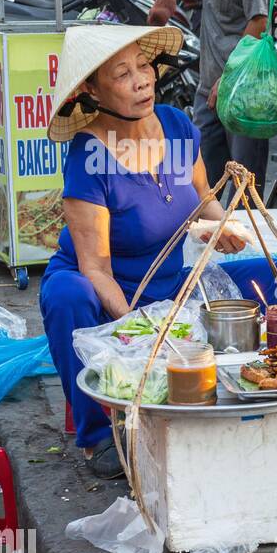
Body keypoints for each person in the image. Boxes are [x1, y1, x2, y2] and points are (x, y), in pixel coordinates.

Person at [40, 25, 254, 479]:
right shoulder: (88, 156)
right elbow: (95, 269)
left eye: (143, 66)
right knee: (68, 296)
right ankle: (99, 435)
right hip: (103, 289)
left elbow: (203, 196)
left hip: (169, 284)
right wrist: (138, 330)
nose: (141, 80)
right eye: (121, 74)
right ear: (91, 91)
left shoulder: (177, 126)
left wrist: (222, 225)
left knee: (257, 285)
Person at [164, 0, 272, 193]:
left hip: (241, 92)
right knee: (198, 186)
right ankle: (204, 232)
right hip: (208, 87)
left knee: (244, 191)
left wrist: (229, 76)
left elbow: (259, 21)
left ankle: (240, 231)